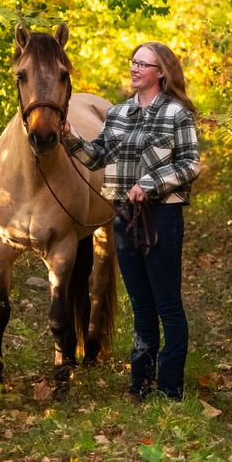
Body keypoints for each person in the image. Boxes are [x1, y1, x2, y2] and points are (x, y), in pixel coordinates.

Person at [62, 41, 200, 402]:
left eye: (143, 64)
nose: (135, 68)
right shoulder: (119, 113)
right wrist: (70, 138)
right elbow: (97, 158)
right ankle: (140, 383)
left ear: (161, 73)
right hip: (123, 216)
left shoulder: (176, 114)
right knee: (140, 304)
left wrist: (149, 184)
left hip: (162, 217)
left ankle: (170, 389)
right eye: (133, 62)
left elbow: (190, 165)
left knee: (166, 304)